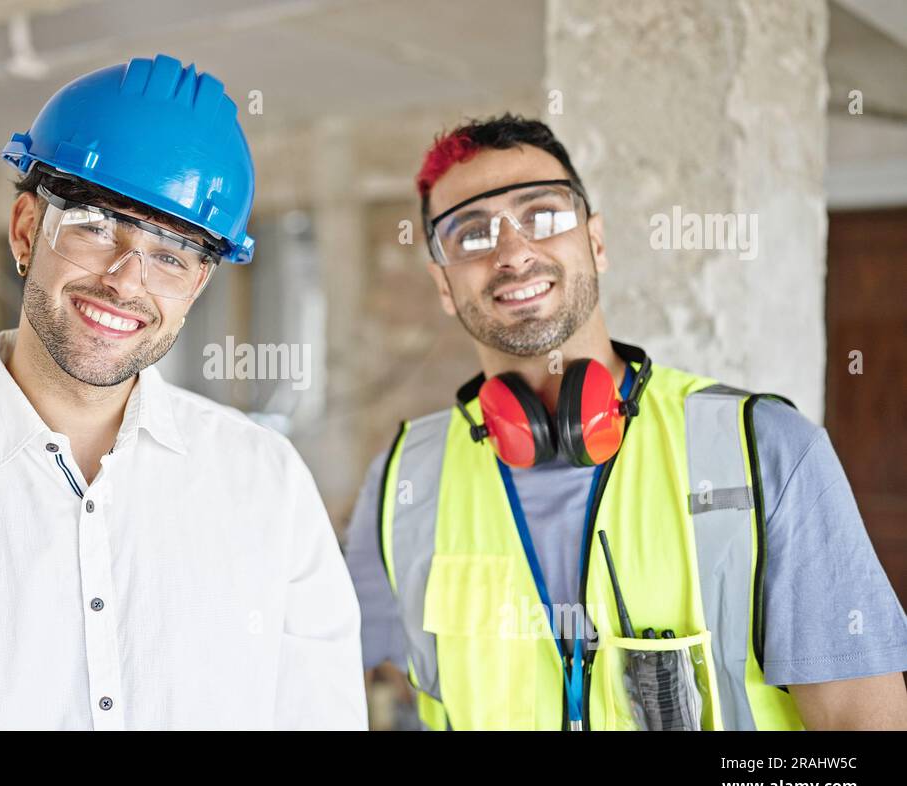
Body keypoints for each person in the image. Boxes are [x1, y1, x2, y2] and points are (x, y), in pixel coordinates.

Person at [0, 55, 366, 730]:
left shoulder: (269, 488)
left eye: (170, 254)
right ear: (25, 230)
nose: (126, 280)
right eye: (97, 226)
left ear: (196, 287)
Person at [345, 114, 907, 730]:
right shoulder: (404, 481)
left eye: (543, 215)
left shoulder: (762, 449)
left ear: (597, 242)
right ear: (444, 285)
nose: (513, 252)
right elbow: (340, 690)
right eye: (470, 234)